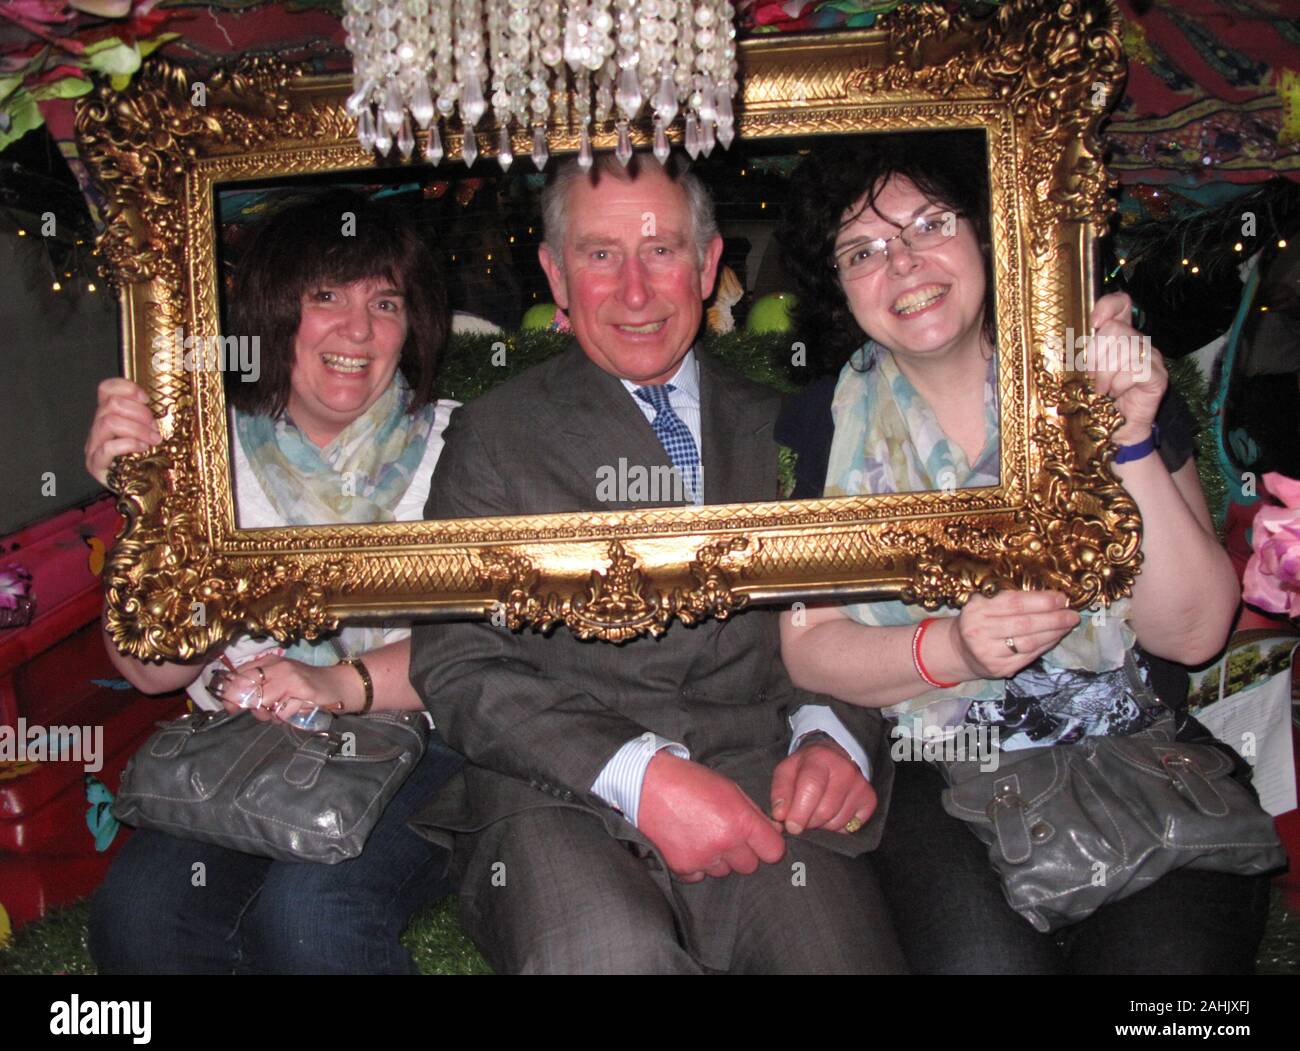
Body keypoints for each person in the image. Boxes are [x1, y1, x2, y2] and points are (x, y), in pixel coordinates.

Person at [775, 133, 1275, 974]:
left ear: (986, 233)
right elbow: (809, 648)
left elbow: (1191, 636)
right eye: (864, 250)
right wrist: (954, 648)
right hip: (940, 769)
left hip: (1136, 750)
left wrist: (1131, 440)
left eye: (930, 224)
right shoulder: (816, 425)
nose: (902, 263)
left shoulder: (1094, 379)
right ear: (839, 287)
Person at [407, 153, 907, 974]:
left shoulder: (790, 424)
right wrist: (642, 777)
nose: (634, 292)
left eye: (662, 251)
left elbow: (844, 612)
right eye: (601, 255)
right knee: (608, 956)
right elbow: (458, 661)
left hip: (762, 773)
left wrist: (831, 736)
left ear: (709, 266)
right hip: (553, 791)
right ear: (556, 275)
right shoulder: (493, 436)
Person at [83, 189, 464, 974]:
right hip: (241, 745)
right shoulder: (199, 455)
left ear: (413, 324)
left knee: (308, 914)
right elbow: (152, 673)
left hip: (422, 743)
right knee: (141, 915)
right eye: (325, 295)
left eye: (384, 302)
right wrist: (147, 502)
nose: (356, 330)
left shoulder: (460, 448)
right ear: (274, 312)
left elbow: (481, 656)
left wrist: (326, 683)